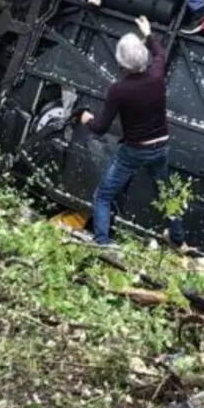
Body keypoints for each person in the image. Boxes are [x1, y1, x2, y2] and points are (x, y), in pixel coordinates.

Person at [79, 15, 185, 248]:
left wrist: (86, 118)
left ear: (122, 64)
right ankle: (178, 238)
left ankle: (102, 243)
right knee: (166, 194)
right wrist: (148, 34)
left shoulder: (119, 90)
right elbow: (160, 55)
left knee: (103, 195)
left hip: (135, 150)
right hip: (161, 146)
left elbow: (100, 128)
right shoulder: (157, 77)